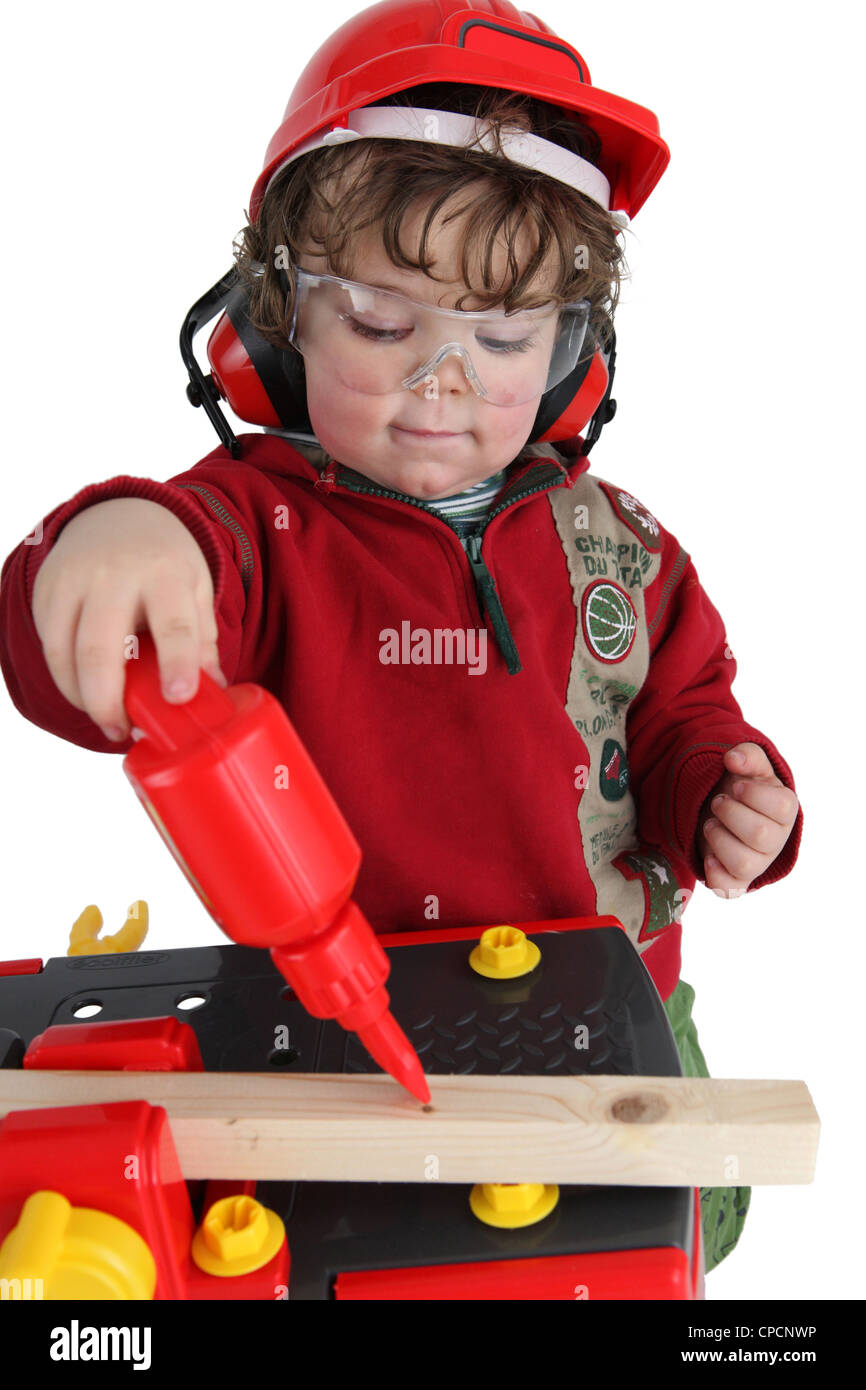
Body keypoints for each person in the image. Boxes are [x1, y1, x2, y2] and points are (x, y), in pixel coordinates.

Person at [0, 0, 802, 1275]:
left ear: (570, 355)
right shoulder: (252, 530)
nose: (444, 380)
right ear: (277, 317)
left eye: (500, 336)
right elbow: (94, 642)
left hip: (613, 1000)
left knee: (662, 1240)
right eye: (381, 323)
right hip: (324, 1027)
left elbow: (681, 712)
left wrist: (719, 786)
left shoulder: (627, 547)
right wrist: (110, 541)